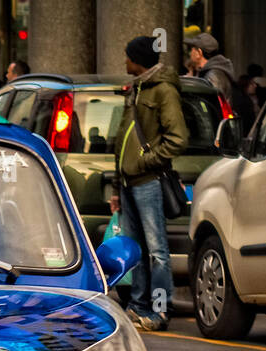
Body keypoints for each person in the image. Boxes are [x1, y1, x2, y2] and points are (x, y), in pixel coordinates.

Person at [112, 36, 187, 331]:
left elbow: (177, 137)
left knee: (156, 249)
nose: (124, 61)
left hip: (148, 180)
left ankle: (159, 309)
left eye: (128, 57)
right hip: (130, 182)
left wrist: (146, 161)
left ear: (138, 59)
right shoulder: (138, 87)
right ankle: (138, 306)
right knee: (135, 249)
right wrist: (119, 182)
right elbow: (124, 138)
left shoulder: (163, 90)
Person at [185, 32, 255, 131]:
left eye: (191, 49)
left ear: (199, 53)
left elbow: (210, 111)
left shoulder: (213, 76)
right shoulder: (214, 73)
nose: (190, 53)